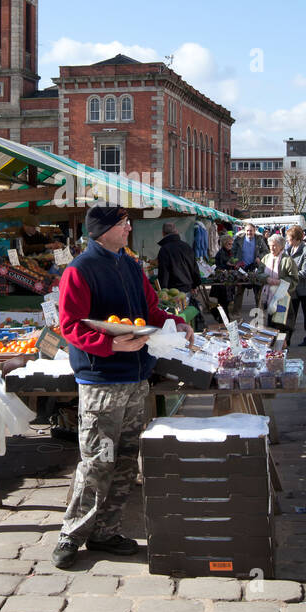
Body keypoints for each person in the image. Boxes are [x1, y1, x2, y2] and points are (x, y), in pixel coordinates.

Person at [52, 205, 194, 569]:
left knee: (127, 460)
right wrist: (110, 345)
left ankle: (106, 530)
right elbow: (69, 326)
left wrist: (176, 322)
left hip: (136, 376)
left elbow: (150, 311)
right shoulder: (79, 270)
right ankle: (71, 532)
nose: (130, 227)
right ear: (103, 231)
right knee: (98, 460)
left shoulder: (131, 265)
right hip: (101, 379)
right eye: (123, 223)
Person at [284, 225, 306, 347]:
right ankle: (287, 340)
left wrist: (291, 276)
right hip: (293, 290)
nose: (287, 240)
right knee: (290, 316)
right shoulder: (288, 250)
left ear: (296, 238)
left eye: (289, 238)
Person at [259, 234, 300, 330]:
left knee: (282, 325)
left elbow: (294, 278)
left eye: (274, 245)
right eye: (270, 246)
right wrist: (267, 279)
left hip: (282, 297)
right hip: (268, 296)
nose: (272, 248)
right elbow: (259, 273)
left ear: (281, 246)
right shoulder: (266, 258)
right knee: (270, 324)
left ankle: (284, 343)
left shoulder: (287, 260)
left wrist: (280, 282)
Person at [231, 222, 269, 317]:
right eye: (247, 230)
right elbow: (232, 252)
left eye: (251, 231)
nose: (249, 232)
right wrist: (235, 262)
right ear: (244, 230)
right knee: (239, 291)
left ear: (254, 230)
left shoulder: (259, 239)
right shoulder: (239, 239)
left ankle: (259, 312)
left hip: (255, 268)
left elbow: (266, 251)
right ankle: (236, 312)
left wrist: (259, 257)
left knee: (258, 292)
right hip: (241, 269)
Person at [155, 221, 201, 293]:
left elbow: (164, 272)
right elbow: (194, 267)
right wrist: (195, 284)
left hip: (173, 291)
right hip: (187, 287)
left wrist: (163, 290)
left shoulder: (164, 249)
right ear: (176, 232)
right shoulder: (186, 246)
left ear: (163, 233)